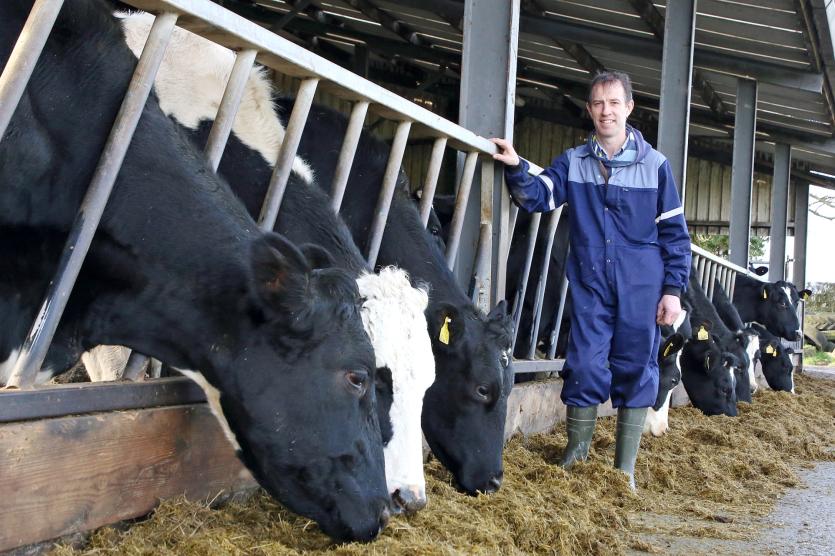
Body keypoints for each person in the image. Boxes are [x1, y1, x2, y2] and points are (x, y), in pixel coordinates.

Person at [491, 71, 691, 491]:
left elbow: (675, 234)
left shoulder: (655, 166)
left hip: (642, 284)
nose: (606, 111)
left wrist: (673, 291)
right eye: (598, 103)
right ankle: (576, 454)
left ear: (629, 108)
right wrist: (515, 165)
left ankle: (625, 470)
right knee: (582, 363)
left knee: (637, 366)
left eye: (614, 103)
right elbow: (539, 195)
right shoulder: (574, 161)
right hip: (592, 282)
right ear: (590, 109)